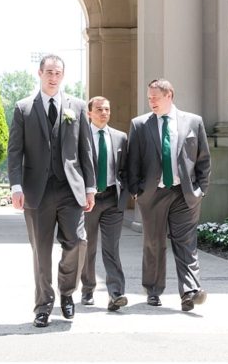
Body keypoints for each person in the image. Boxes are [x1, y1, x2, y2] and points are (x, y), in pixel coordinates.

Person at [7, 54, 95, 327]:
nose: (53, 77)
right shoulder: (23, 109)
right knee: (41, 251)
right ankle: (43, 305)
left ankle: (67, 293)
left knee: (78, 242)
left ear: (62, 75)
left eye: (58, 73)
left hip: (71, 188)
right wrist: (16, 186)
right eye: (49, 72)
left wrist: (90, 187)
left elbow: (85, 149)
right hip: (37, 191)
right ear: (39, 73)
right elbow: (15, 151)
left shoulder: (77, 107)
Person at [126, 78, 211, 312]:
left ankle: (190, 292)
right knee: (153, 242)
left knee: (186, 243)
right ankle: (153, 290)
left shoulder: (193, 122)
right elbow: (132, 162)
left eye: (155, 97)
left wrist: (200, 189)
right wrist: (136, 191)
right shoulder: (140, 125)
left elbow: (203, 159)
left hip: (185, 194)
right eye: (149, 98)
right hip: (152, 194)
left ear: (169, 96)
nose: (151, 101)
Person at [78, 96, 129, 312]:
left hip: (112, 199)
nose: (104, 113)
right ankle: (88, 289)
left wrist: (126, 192)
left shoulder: (120, 138)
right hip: (88, 200)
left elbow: (126, 168)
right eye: (99, 109)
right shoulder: (81, 137)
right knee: (87, 247)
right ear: (89, 113)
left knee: (111, 248)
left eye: (107, 109)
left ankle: (116, 293)